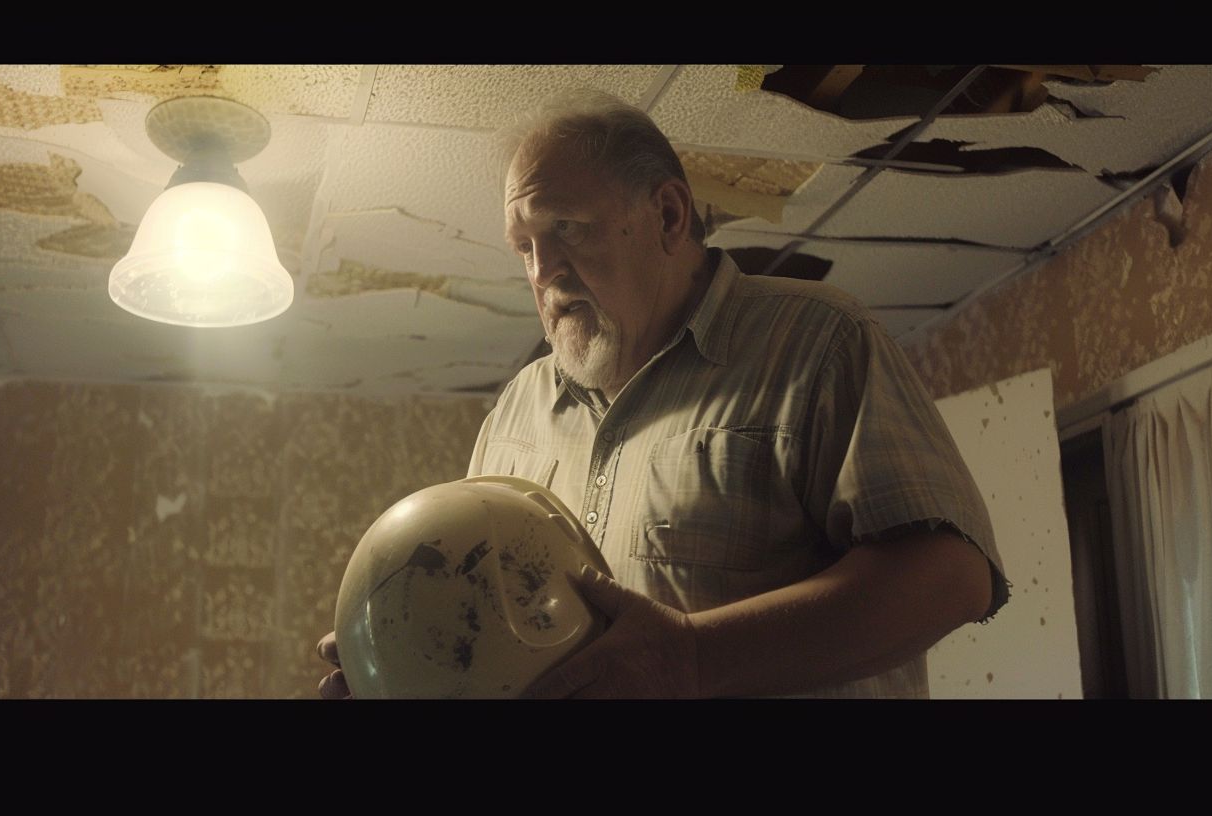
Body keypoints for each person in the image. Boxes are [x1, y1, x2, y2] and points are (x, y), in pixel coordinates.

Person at [318, 89, 1008, 698]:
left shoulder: (819, 343)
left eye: (566, 228)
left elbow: (951, 578)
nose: (543, 272)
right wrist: (414, 670)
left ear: (669, 217)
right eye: (523, 245)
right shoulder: (516, 412)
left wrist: (696, 658)